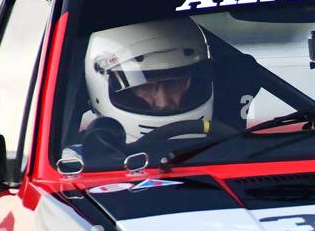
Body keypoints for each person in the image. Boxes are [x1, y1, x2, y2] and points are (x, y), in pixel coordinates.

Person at [81, 17, 215, 149]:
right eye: (146, 87)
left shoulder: (228, 148)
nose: (163, 103)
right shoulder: (75, 163)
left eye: (175, 83)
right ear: (99, 88)